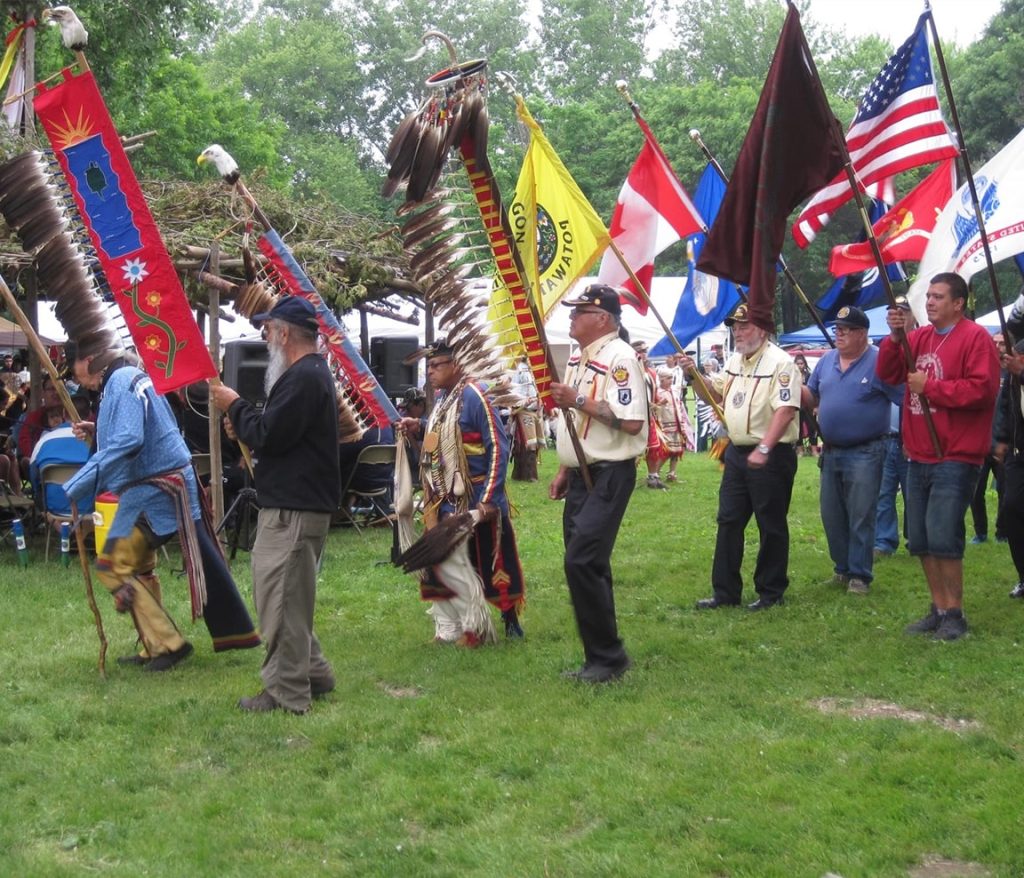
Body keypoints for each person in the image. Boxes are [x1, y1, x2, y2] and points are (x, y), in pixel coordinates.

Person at [63, 338, 261, 672]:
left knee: (113, 565)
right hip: (152, 490)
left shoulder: (122, 381)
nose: (74, 375)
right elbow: (139, 428)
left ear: (90, 357)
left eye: (73, 366)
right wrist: (97, 431)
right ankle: (154, 646)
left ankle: (169, 644)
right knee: (139, 567)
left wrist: (79, 483)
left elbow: (129, 440)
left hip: (157, 491)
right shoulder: (124, 378)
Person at [210, 296, 340, 714]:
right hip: (295, 503)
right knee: (287, 597)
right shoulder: (307, 375)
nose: (265, 338)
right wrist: (243, 422)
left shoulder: (304, 377)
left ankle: (287, 692)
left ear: (284, 332)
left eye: (267, 330)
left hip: (294, 509)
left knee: (279, 599)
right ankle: (313, 672)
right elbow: (274, 432)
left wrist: (235, 404)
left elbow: (271, 434)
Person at [877, 272, 1001, 640]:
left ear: (958, 303)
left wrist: (930, 387)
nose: (929, 302)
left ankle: (955, 614)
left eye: (938, 297)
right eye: (928, 296)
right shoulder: (920, 338)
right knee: (920, 538)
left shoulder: (975, 338)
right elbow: (888, 372)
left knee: (944, 534)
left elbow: (982, 391)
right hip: (919, 453)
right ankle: (938, 606)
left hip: (955, 454)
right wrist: (897, 337)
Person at [396, 339, 525, 645]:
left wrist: (489, 500)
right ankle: (451, 626)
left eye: (436, 365)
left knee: (492, 563)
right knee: (443, 563)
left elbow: (498, 447)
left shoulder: (475, 395)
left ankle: (503, 622)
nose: (430, 372)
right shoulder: (443, 399)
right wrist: (419, 426)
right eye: (428, 366)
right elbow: (443, 431)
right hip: (444, 499)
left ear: (456, 364)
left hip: (476, 497)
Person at [549, 284, 647, 683]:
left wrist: (577, 400)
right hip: (581, 474)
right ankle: (601, 657)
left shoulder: (620, 359)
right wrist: (563, 467)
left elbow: (631, 421)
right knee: (587, 562)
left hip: (609, 473)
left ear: (602, 318)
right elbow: (576, 424)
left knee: (581, 561)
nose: (571, 318)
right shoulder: (580, 357)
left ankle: (608, 657)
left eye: (579, 312)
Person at [680, 302, 801, 611]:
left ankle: (771, 592)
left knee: (770, 523)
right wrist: (693, 376)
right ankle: (725, 592)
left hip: (770, 454)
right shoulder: (736, 360)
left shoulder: (781, 363)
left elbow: (786, 411)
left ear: (762, 329)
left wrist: (764, 449)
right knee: (729, 520)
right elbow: (715, 394)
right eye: (735, 326)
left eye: (744, 326)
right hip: (737, 452)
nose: (738, 332)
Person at [801, 306, 903, 595]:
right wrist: (793, 389)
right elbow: (812, 395)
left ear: (862, 334)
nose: (839, 334)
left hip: (867, 450)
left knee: (861, 513)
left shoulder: (879, 361)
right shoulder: (826, 360)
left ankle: (860, 574)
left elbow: (903, 397)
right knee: (832, 514)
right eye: (837, 329)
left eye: (846, 330)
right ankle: (842, 568)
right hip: (831, 451)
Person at [967, 331, 1007, 544]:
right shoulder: (983, 369)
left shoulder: (1010, 373)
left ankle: (1003, 531)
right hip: (981, 439)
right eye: (995, 343)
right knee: (975, 490)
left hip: (1003, 441)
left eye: (1002, 343)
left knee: (1005, 490)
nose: (998, 347)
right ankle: (980, 531)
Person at [29, 396, 93, 516]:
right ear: (89, 415)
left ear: (63, 413)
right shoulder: (97, 443)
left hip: (53, 507)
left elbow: (34, 478)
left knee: (38, 495)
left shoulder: (44, 441)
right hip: (91, 508)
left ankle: (64, 531)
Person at [653, 365, 686, 483]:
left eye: (672, 378)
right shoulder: (657, 391)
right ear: (661, 379)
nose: (670, 380)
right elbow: (653, 407)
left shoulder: (674, 391)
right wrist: (659, 404)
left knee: (676, 450)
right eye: (668, 378)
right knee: (666, 451)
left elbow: (679, 406)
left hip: (676, 424)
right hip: (665, 426)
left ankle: (672, 473)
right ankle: (654, 473)